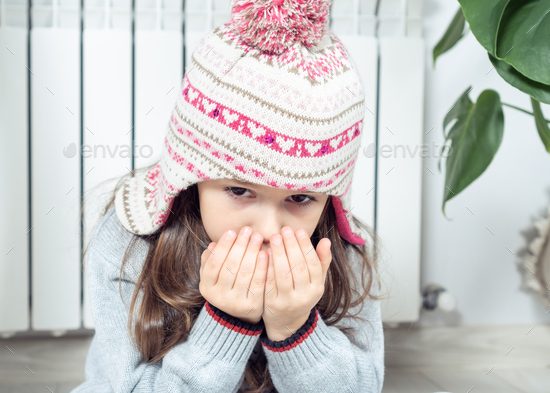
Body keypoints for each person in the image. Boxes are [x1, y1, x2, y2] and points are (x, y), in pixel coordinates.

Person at [72, 0, 385, 391]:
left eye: (301, 198)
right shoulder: (128, 244)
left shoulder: (344, 255)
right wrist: (226, 326)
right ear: (189, 179)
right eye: (239, 190)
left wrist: (296, 328)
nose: (269, 228)